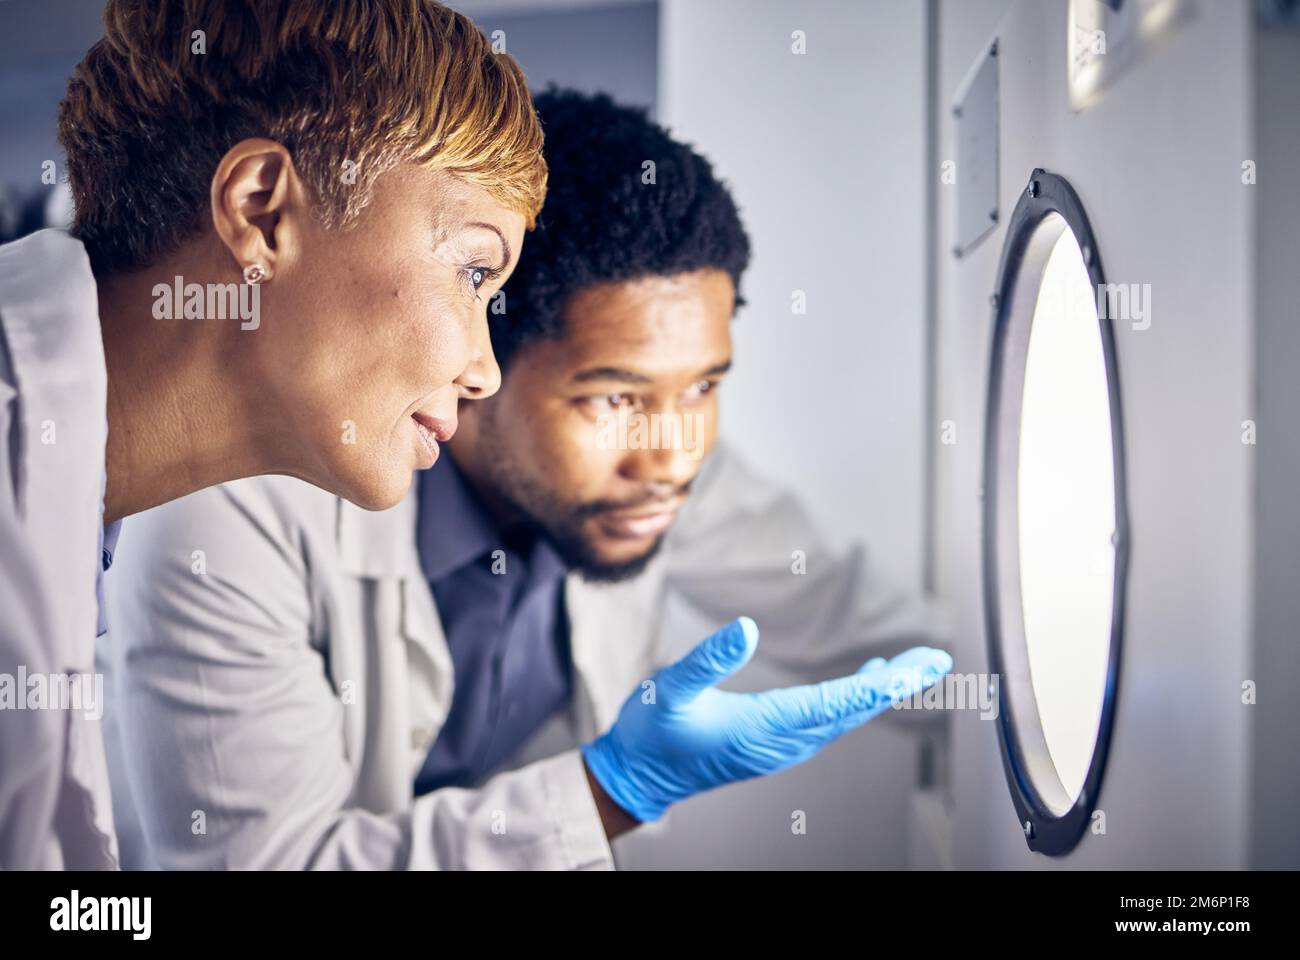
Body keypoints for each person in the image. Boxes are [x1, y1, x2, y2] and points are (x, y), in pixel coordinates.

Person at [0, 1, 944, 870]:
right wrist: (608, 791)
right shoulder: (163, 503)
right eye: (470, 275)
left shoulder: (63, 497)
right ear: (260, 211)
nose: (483, 368)